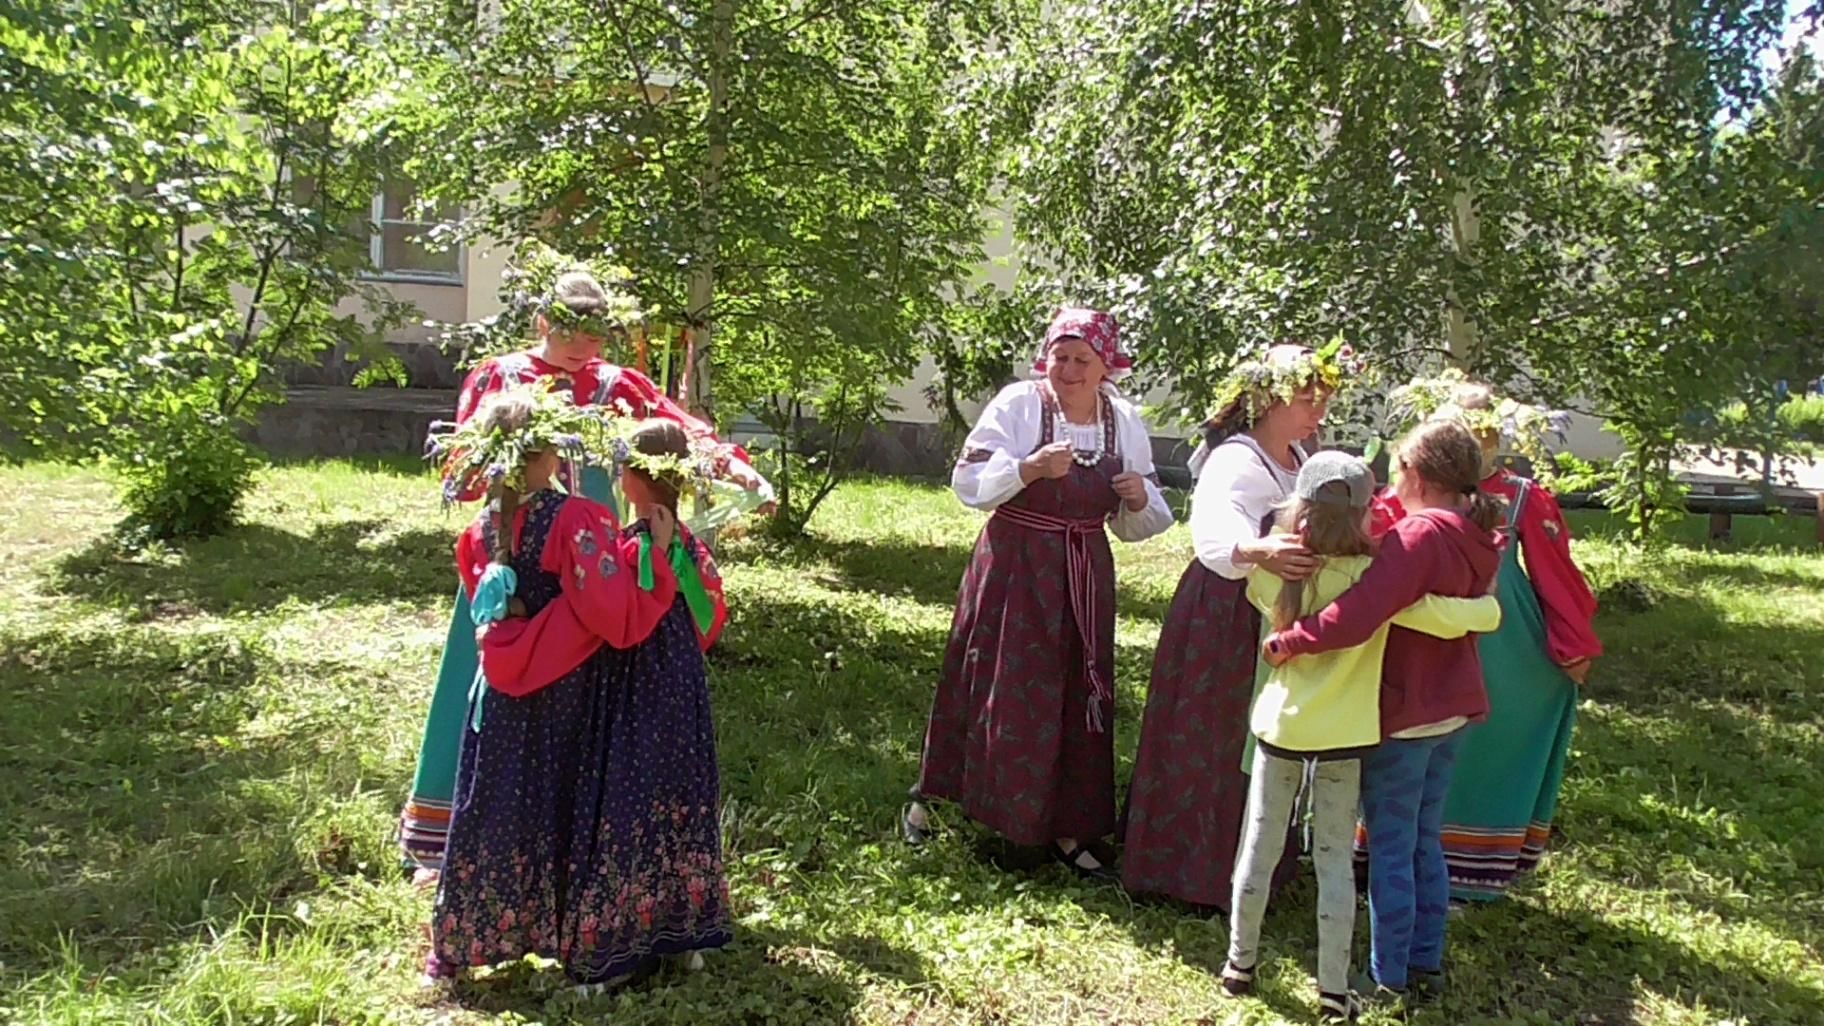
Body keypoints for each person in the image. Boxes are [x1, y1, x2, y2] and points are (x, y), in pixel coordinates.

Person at [400, 271, 766, 882]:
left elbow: (677, 432)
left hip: (589, 570)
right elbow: (463, 465)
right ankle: (450, 839)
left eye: (596, 334)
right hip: (513, 563)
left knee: (579, 696)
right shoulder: (500, 378)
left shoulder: (616, 385)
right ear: (542, 323)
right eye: (570, 330)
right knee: (485, 682)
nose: (582, 346)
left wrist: (733, 467)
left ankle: (567, 836)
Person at [427, 405, 732, 989]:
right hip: (567, 692)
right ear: (548, 456)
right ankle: (585, 938)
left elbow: (485, 602)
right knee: (571, 815)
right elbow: (614, 616)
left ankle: (465, 943)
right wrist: (661, 573)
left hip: (495, 695)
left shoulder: (479, 530)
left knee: (495, 813)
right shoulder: (580, 522)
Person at [1227, 451, 1499, 1021]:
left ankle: (1239, 964)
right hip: (1347, 735)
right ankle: (1339, 988)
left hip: (1281, 725)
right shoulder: (1374, 572)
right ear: (1367, 511)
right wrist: (1485, 611)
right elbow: (1410, 613)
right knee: (1338, 862)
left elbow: (1270, 589)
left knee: (1259, 848)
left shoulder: (1270, 571)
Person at [903, 308, 1174, 876]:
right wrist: (1026, 470)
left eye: (1083, 360)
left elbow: (1141, 521)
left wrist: (1137, 497)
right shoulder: (1020, 405)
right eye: (1060, 357)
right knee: (1000, 677)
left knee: (1078, 688)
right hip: (1016, 567)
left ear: (1107, 367)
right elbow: (968, 482)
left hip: (1082, 573)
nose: (1069, 370)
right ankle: (946, 801)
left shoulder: (1122, 421)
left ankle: (1066, 826)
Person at [1120, 341, 1356, 909]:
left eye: (1322, 399)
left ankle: (1253, 866)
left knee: (1258, 736)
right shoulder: (1237, 457)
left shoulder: (1300, 457)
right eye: (1307, 398)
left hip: (1268, 610)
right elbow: (1214, 540)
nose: (1317, 412)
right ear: (1271, 398)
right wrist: (1261, 549)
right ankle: (1188, 872)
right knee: (1212, 733)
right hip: (1223, 612)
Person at [1377, 381, 1601, 901]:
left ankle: (1468, 871)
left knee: (1486, 744)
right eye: (1471, 428)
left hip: (1504, 645)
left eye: (1490, 429)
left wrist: (1571, 645)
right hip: (1420, 635)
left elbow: (1556, 575)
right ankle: (1395, 858)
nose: (1484, 441)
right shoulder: (1409, 487)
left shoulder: (1523, 497)